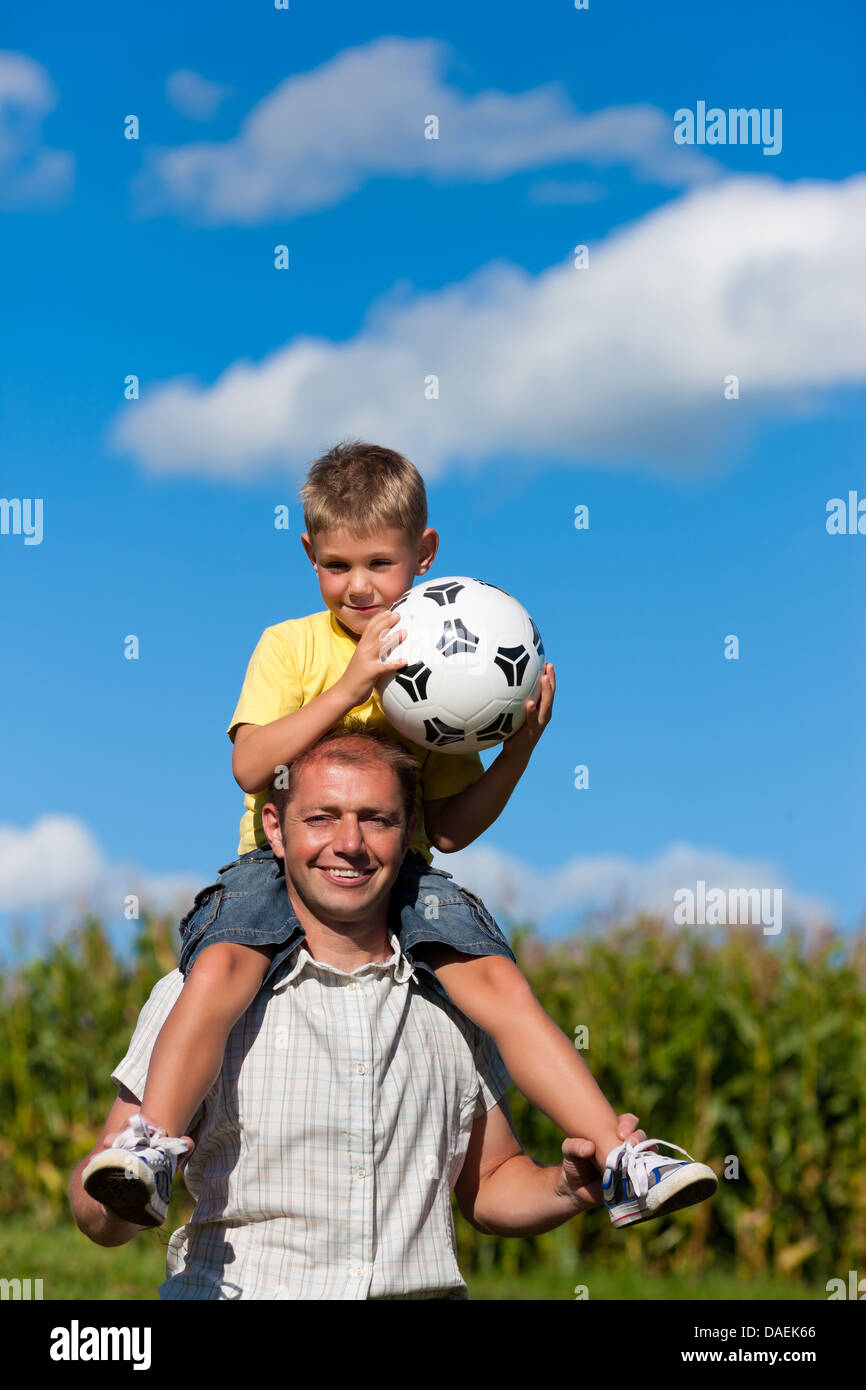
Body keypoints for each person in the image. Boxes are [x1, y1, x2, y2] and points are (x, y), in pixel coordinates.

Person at [82, 441, 716, 1233]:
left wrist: (517, 752)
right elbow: (250, 765)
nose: (358, 586)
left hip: (403, 870)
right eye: (336, 565)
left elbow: (448, 830)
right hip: (271, 869)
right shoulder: (291, 647)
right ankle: (152, 1149)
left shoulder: (445, 660)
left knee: (499, 985)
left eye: (380, 563)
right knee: (219, 969)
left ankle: (623, 1157)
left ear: (425, 555)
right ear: (309, 554)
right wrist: (350, 687)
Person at [72, 727, 658, 1299]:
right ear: (274, 830)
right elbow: (97, 1206)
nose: (349, 842)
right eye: (321, 817)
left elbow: (490, 1184)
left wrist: (567, 1188)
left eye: (376, 819)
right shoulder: (196, 994)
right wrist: (115, 1198)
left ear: (407, 837)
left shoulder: (456, 998)